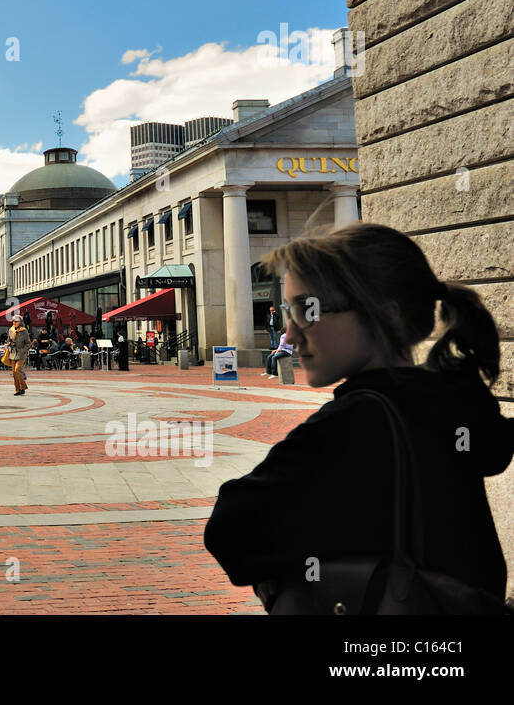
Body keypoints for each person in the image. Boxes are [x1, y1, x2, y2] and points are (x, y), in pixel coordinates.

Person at [204, 222, 514, 614]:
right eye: (290, 310)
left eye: (308, 310)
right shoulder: (454, 404)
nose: (292, 333)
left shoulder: (355, 422)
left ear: (384, 315)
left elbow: (229, 531)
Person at [8, 317, 30, 395]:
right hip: (13, 353)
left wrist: (23, 350)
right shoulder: (11, 330)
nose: (14, 322)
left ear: (20, 322)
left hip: (21, 354)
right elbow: (8, 341)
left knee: (17, 369)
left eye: (16, 321)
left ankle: (22, 387)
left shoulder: (24, 331)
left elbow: (28, 343)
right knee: (14, 373)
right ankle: (18, 389)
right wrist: (10, 344)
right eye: (13, 321)